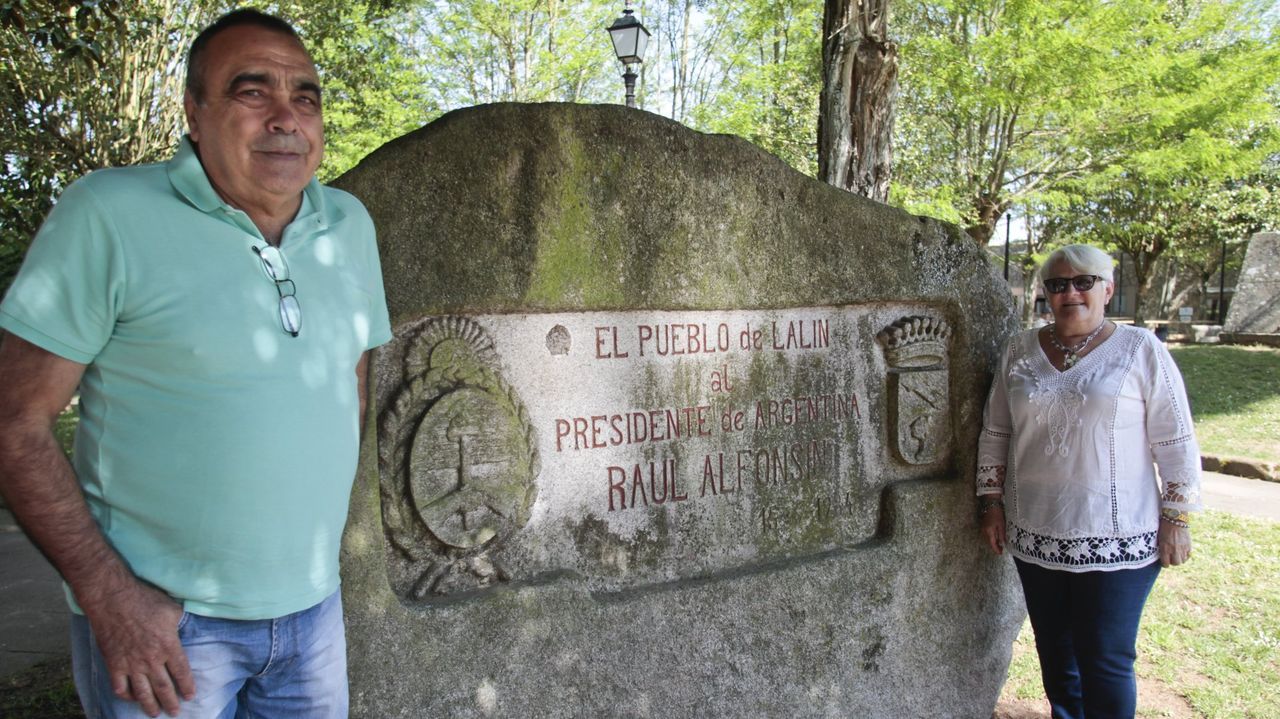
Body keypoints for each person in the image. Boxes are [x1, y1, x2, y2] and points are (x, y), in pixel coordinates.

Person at [0, 9, 391, 718]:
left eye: (305, 95)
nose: (286, 116)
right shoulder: (107, 214)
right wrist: (109, 596)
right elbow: (14, 420)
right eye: (252, 90)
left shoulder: (350, 227)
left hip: (312, 617)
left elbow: (349, 384)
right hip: (168, 630)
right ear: (194, 110)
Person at [976, 244, 1200, 719]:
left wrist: (1176, 517)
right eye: (1057, 285)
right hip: (1035, 533)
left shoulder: (1140, 350)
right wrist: (990, 502)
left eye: (1083, 282)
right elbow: (996, 430)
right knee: (1057, 657)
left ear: (1108, 288)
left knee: (1105, 658)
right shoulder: (1018, 350)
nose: (1070, 293)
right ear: (1046, 295)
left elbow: (1175, 439)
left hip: (1117, 536)